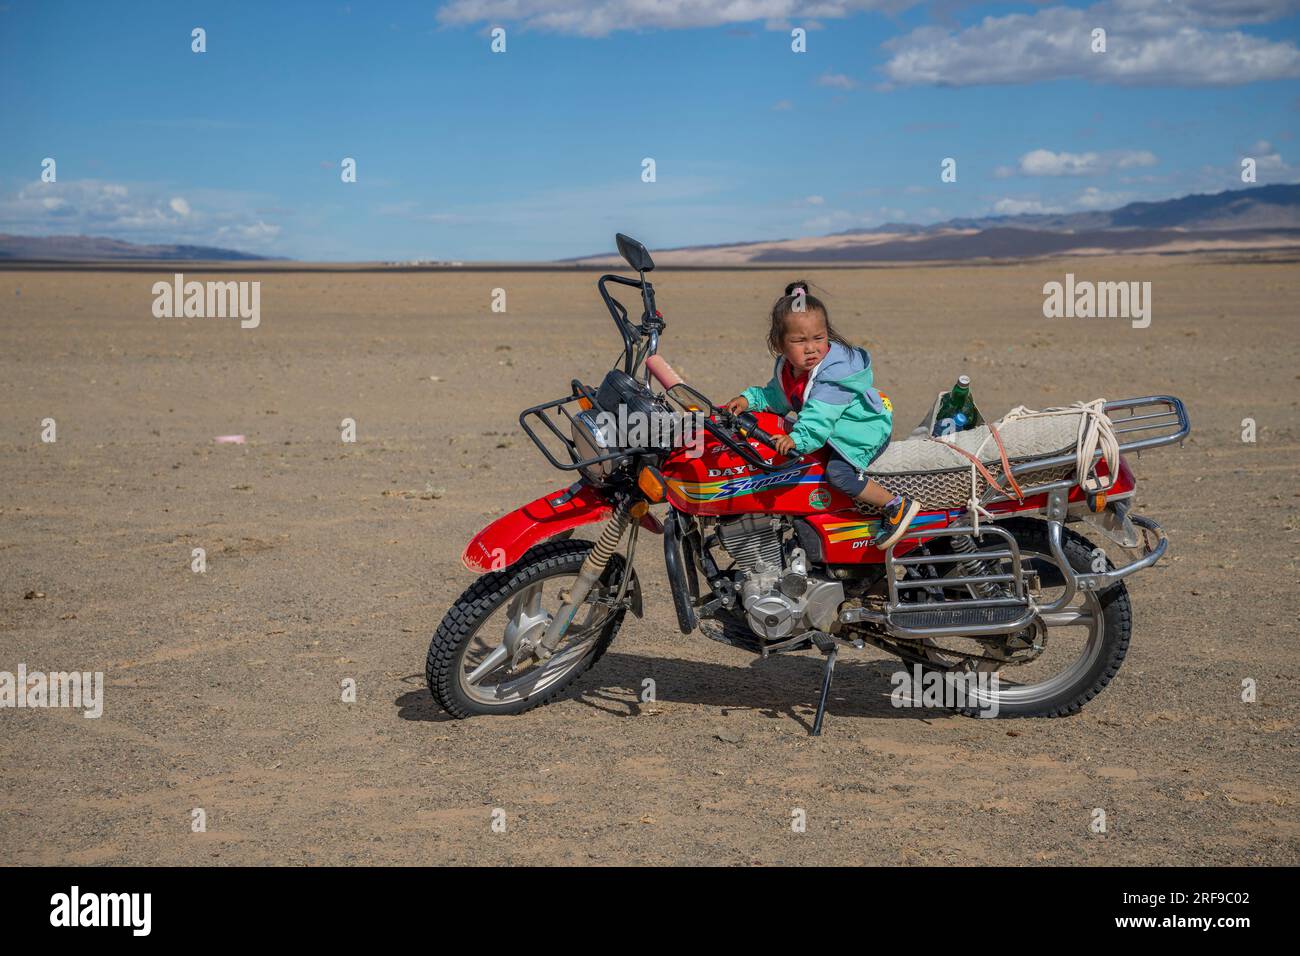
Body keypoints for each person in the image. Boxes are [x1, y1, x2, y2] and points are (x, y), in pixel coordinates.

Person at [724, 280, 921, 550]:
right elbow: (776, 397)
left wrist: (797, 440)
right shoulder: (789, 369)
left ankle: (896, 505)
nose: (811, 348)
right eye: (799, 340)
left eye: (819, 338)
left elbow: (819, 417)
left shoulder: (833, 374)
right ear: (779, 344)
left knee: (838, 474)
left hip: (862, 430)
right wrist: (748, 400)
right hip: (836, 430)